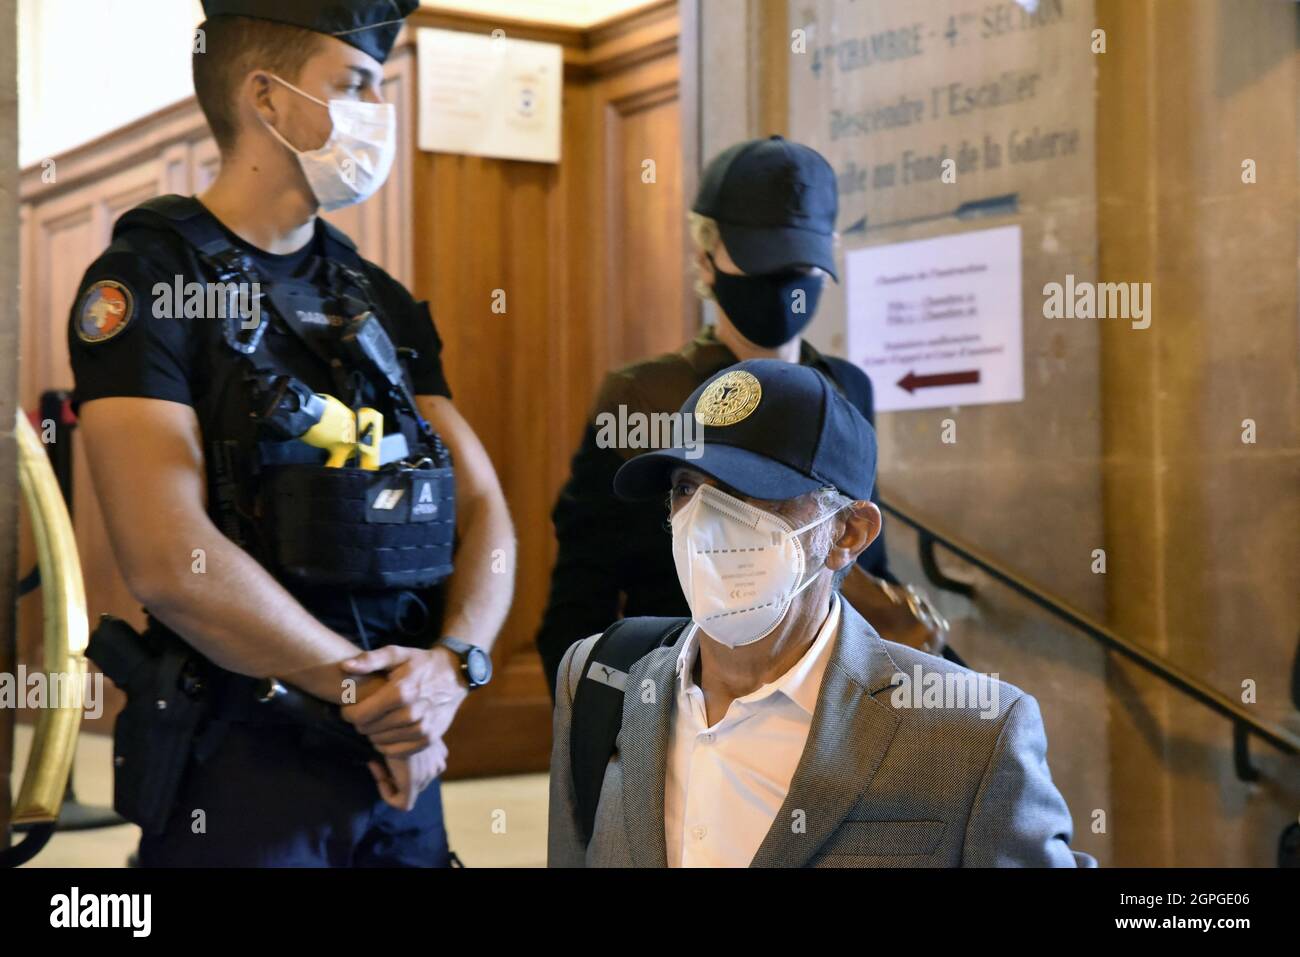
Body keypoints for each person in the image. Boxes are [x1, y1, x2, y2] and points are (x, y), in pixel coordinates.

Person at [68, 0, 515, 867]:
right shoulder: (147, 281)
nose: (377, 114)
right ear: (265, 99)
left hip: (400, 753)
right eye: (354, 85)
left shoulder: (376, 298)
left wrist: (454, 666)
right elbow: (168, 557)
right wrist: (366, 687)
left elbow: (486, 506)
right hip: (247, 760)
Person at [547, 359, 1094, 868]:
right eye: (687, 488)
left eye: (748, 491)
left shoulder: (972, 733)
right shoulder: (600, 680)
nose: (705, 521)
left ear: (848, 533)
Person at [536, 135, 905, 697]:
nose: (783, 280)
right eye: (760, 261)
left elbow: (861, 557)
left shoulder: (847, 390)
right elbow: (582, 593)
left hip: (822, 698)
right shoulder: (645, 395)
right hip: (679, 694)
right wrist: (602, 732)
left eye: (799, 260)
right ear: (704, 259)